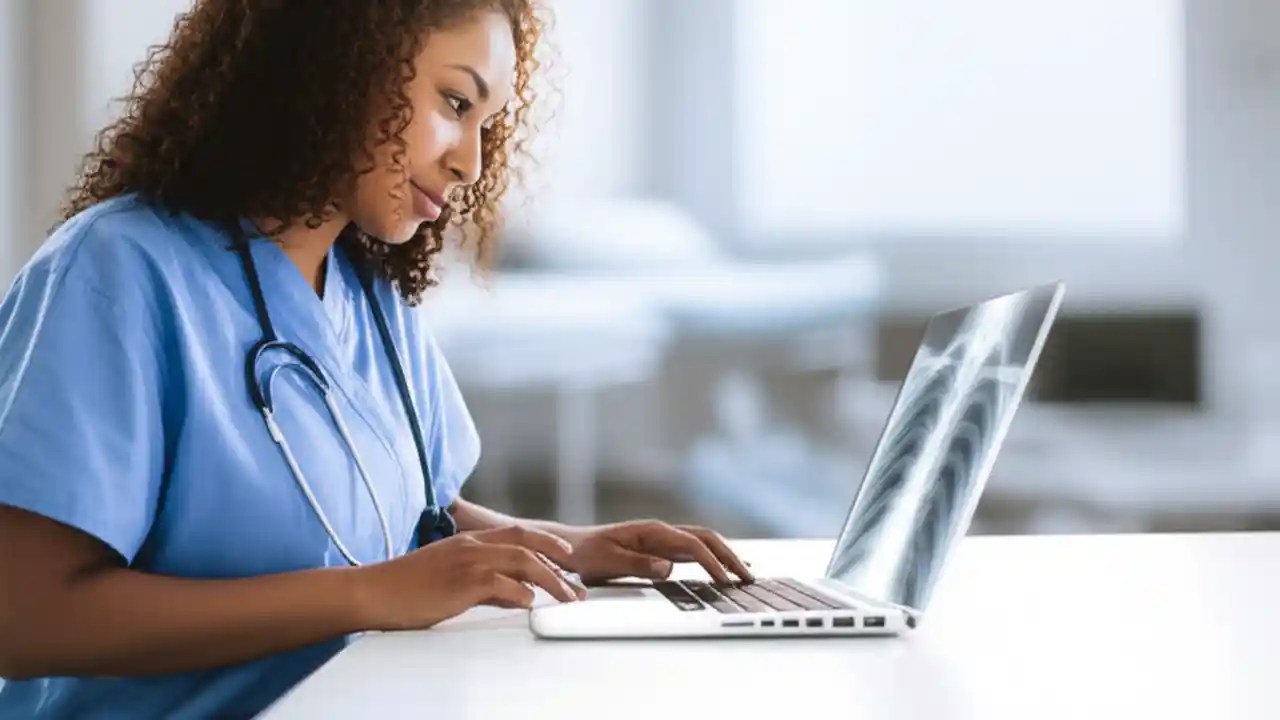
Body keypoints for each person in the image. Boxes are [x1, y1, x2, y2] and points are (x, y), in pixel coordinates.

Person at [0, 2, 751, 717]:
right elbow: (24, 616)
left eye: (489, 125)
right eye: (456, 104)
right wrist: (368, 594)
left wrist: (570, 548)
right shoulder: (117, 272)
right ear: (340, 59)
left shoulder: (370, 296)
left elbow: (414, 511)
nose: (471, 163)